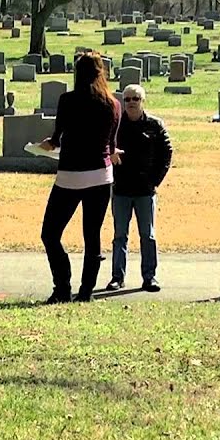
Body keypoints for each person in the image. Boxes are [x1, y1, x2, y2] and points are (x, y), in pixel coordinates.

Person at [39, 51, 121, 303]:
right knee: (91, 235)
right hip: (100, 174)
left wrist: (48, 144)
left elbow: (56, 139)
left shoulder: (68, 100)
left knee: (50, 233)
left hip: (71, 175)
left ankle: (62, 285)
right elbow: (111, 144)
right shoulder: (113, 105)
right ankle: (86, 291)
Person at [107, 84, 173, 293]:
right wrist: (110, 155)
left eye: (135, 99)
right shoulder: (115, 126)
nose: (131, 103)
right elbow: (104, 147)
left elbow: (166, 154)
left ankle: (150, 277)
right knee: (120, 236)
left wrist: (155, 181)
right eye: (127, 99)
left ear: (143, 101)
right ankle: (117, 277)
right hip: (121, 190)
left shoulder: (155, 125)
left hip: (145, 191)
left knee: (148, 235)